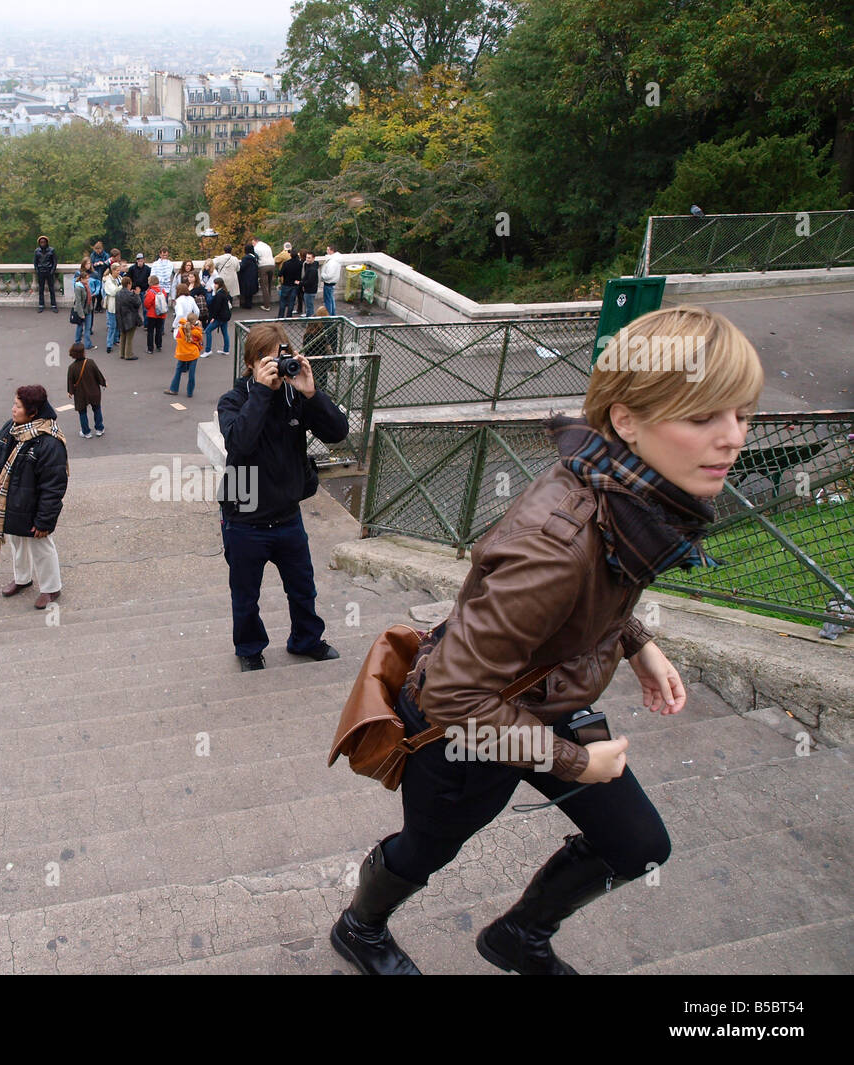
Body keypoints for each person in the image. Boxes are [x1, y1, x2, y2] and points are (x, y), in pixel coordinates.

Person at [329, 306, 765, 977]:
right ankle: (360, 926)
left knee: (638, 843)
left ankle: (519, 936)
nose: (733, 438)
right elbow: (453, 693)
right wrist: (573, 762)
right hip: (468, 729)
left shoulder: (620, 488)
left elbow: (597, 589)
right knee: (429, 848)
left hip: (543, 694)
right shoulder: (563, 540)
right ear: (627, 420)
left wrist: (638, 643)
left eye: (741, 413)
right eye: (704, 417)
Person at [216, 321, 347, 672]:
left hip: (288, 515)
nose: (278, 366)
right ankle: (249, 648)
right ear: (251, 364)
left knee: (303, 589)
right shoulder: (234, 399)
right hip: (244, 519)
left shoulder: (294, 395)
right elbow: (239, 444)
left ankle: (306, 640)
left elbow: (337, 432)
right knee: (246, 597)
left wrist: (310, 392)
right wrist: (261, 391)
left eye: (283, 357)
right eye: (269, 360)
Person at [0, 385, 70, 609]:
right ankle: (22, 579)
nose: (13, 409)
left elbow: (54, 487)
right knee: (18, 543)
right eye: (14, 404)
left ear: (33, 412)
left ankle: (51, 588)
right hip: (12, 503)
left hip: (33, 508)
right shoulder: (12, 428)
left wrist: (44, 521)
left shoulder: (49, 443)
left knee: (41, 547)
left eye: (18, 406)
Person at [67, 342, 108, 438]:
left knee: (82, 412)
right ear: (83, 352)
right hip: (94, 391)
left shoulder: (72, 367)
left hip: (80, 394)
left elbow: (70, 381)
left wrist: (70, 392)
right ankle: (99, 429)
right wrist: (104, 383)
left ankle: (86, 432)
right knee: (97, 409)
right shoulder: (90, 362)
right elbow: (98, 374)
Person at [165, 312, 203, 399]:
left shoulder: (181, 328)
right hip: (193, 353)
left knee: (178, 371)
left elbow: (178, 338)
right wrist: (198, 327)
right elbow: (200, 339)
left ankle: (174, 389)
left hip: (182, 353)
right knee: (192, 374)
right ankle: (190, 392)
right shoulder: (197, 332)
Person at [115, 274, 141, 361]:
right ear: (129, 284)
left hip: (121, 317)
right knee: (129, 337)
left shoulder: (118, 294)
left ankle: (122, 353)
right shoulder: (131, 295)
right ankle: (128, 354)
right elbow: (137, 304)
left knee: (123, 336)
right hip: (130, 318)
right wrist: (137, 294)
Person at [204, 279, 232, 357]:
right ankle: (226, 350)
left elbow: (217, 307)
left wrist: (213, 317)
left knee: (208, 331)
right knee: (225, 333)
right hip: (225, 316)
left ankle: (208, 350)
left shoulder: (219, 294)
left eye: (216, 284)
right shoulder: (225, 292)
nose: (215, 285)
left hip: (219, 317)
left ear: (219, 285)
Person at [143, 275, 167, 354]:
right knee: (159, 330)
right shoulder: (162, 290)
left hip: (152, 314)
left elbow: (147, 304)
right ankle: (159, 345)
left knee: (150, 331)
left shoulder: (151, 291)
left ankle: (150, 348)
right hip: (161, 314)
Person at [34, 235, 58, 312]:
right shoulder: (37, 251)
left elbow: (55, 261)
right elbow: (35, 262)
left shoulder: (52, 250)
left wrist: (52, 271)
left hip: (49, 271)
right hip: (41, 272)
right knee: (41, 289)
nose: (42, 243)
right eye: (41, 242)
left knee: (51, 289)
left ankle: (53, 305)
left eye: (44, 242)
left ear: (47, 242)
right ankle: (41, 305)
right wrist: (37, 271)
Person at [102, 262, 123, 352]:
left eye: (119, 270)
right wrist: (122, 286)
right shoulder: (108, 281)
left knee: (118, 325)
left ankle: (116, 340)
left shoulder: (119, 278)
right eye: (117, 270)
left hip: (119, 305)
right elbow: (113, 292)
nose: (119, 272)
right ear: (113, 270)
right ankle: (109, 345)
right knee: (112, 326)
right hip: (112, 306)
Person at [71, 267, 94, 350]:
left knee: (87, 328)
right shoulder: (78, 288)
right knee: (80, 327)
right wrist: (81, 314)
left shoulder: (86, 286)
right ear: (81, 279)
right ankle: (77, 342)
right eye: (86, 279)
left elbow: (89, 297)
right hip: (81, 311)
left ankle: (88, 344)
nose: (88, 280)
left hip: (88, 309)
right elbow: (78, 302)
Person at [278, 246, 303, 318]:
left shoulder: (286, 263)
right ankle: (289, 316)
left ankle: (281, 316)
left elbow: (280, 274)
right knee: (292, 301)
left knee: (283, 301)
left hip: (286, 284)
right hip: (295, 284)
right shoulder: (300, 264)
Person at [252, 236, 275, 310]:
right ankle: (268, 301)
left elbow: (255, 258)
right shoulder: (267, 246)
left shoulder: (256, 248)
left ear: (256, 241)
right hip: (272, 265)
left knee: (264, 286)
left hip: (263, 266)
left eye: (253, 243)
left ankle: (266, 306)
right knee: (269, 285)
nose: (253, 244)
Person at [320, 244, 342, 317]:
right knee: (331, 300)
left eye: (328, 249)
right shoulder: (336, 260)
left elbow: (329, 275)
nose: (326, 251)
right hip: (332, 283)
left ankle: (329, 316)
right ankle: (332, 315)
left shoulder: (332, 262)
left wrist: (323, 275)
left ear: (331, 250)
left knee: (328, 301)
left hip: (329, 283)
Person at [237, 243, 259, 310]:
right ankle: (248, 304)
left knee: (246, 291)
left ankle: (247, 305)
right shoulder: (254, 257)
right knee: (250, 293)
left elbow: (242, 267)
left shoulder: (246, 258)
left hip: (246, 277)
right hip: (253, 276)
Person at [301, 249, 319, 316]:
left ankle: (310, 323)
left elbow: (309, 282)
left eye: (309, 258)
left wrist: (300, 283)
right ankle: (310, 321)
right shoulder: (311, 266)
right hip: (310, 290)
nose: (307, 259)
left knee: (309, 308)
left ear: (313, 258)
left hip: (310, 290)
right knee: (309, 307)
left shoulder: (312, 269)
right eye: (306, 257)